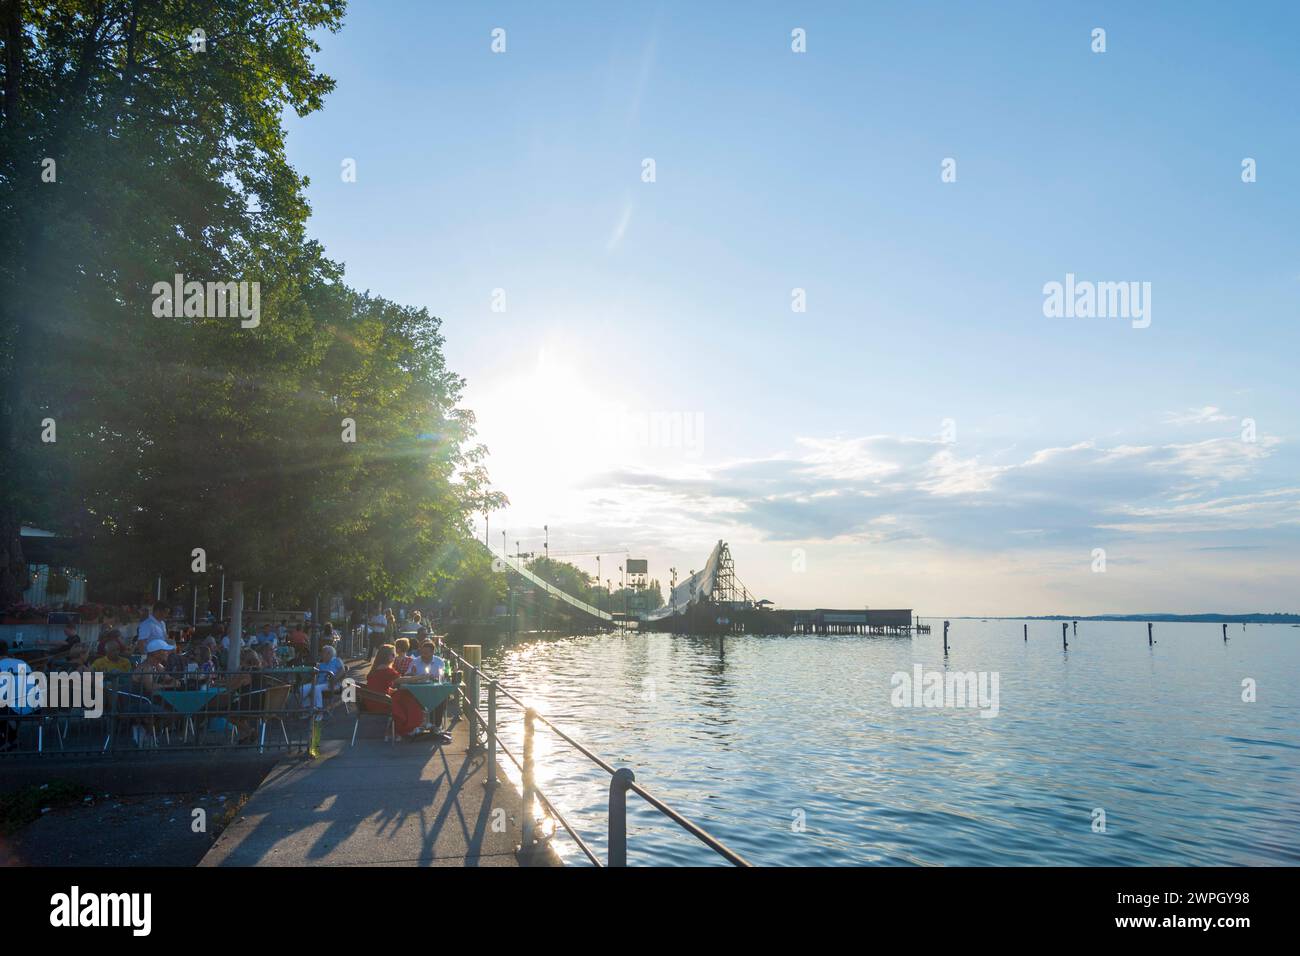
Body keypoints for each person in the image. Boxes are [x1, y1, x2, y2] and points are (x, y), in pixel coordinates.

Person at [365, 645, 426, 739]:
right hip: (381, 702)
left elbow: (378, 687)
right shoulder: (386, 670)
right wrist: (421, 677)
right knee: (407, 697)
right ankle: (411, 726)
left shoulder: (376, 668)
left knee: (403, 695)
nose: (395, 657)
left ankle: (411, 725)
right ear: (386, 656)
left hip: (371, 700)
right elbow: (402, 680)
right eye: (393, 655)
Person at [300, 645, 343, 713]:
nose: (321, 655)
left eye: (323, 653)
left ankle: (318, 709)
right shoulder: (321, 664)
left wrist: (334, 680)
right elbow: (315, 675)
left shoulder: (337, 660)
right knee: (303, 688)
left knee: (316, 688)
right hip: (319, 683)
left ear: (329, 654)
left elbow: (342, 671)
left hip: (332, 684)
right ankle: (307, 707)